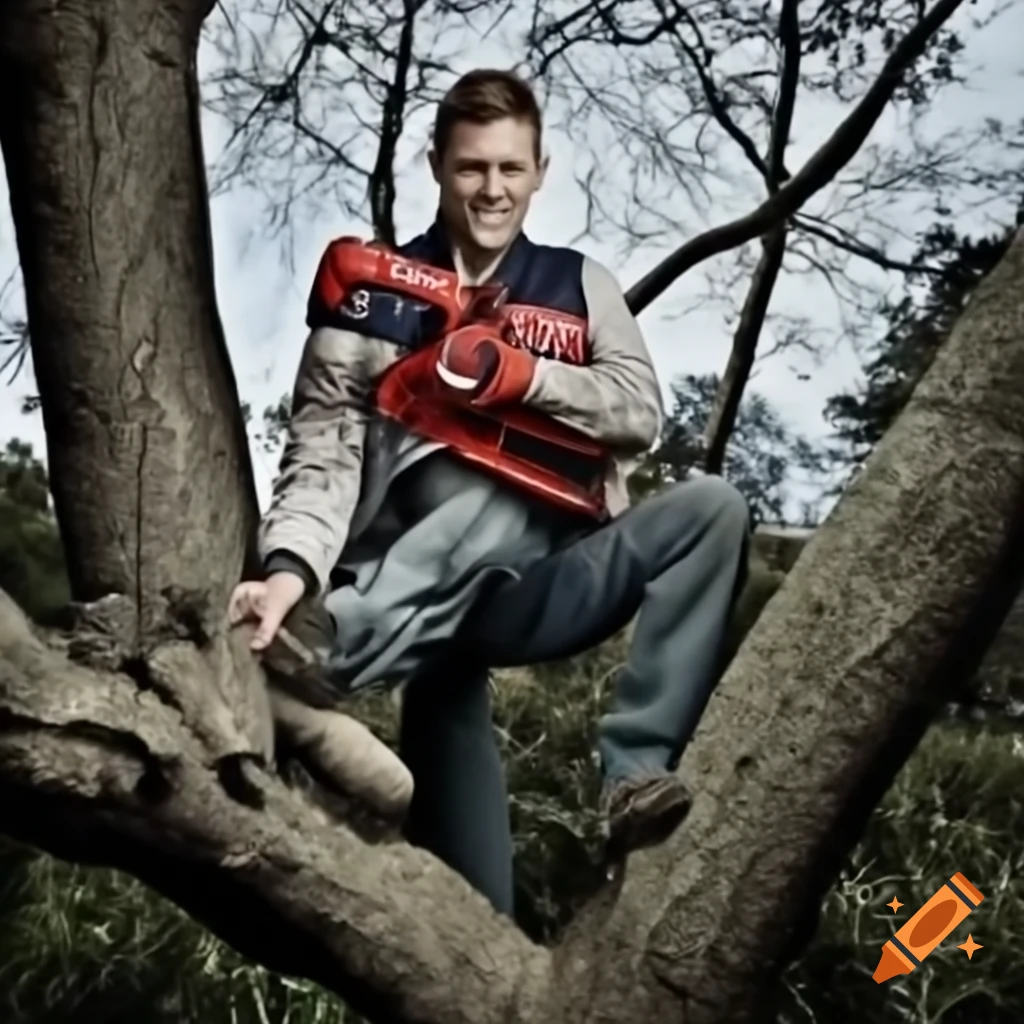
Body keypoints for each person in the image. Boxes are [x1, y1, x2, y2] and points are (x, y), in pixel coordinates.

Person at [228, 68, 750, 917]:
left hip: (538, 580)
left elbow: (637, 411)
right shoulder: (372, 290)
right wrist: (290, 571)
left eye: (511, 169)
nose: (492, 189)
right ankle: (306, 655)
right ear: (437, 165)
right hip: (402, 583)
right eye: (473, 168)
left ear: (540, 170)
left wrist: (524, 374)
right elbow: (322, 447)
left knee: (713, 510)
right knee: (477, 917)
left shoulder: (581, 284)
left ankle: (632, 779)